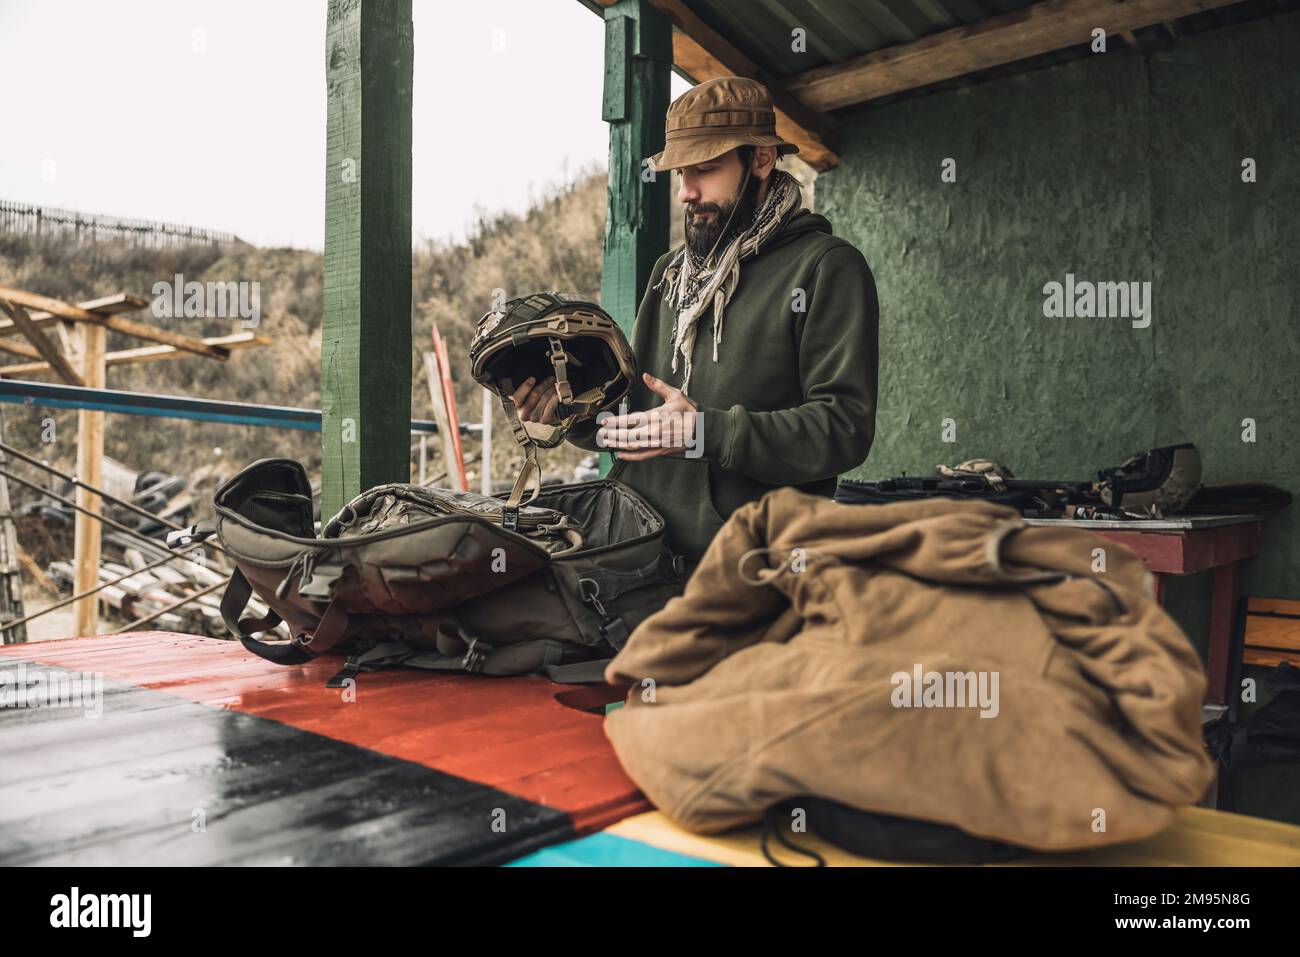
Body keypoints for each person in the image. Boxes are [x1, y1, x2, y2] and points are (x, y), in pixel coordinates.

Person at [512, 76, 879, 571]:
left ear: (762, 160)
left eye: (705, 169)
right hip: (637, 547)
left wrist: (705, 433)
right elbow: (641, 418)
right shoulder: (669, 273)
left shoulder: (825, 267)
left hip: (748, 567)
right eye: (681, 173)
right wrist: (570, 411)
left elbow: (843, 427)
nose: (686, 192)